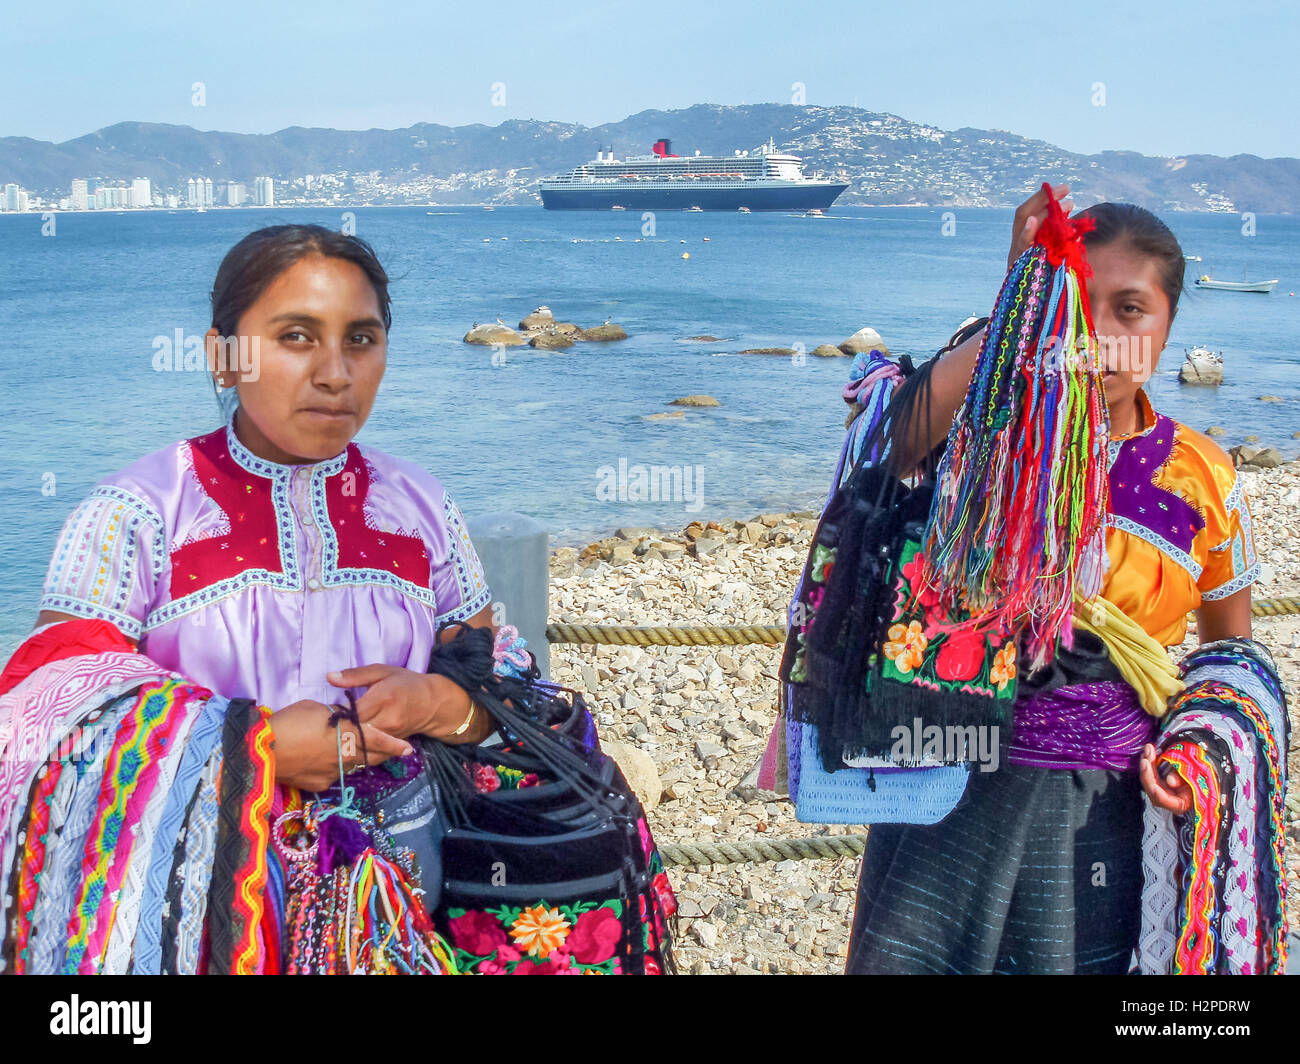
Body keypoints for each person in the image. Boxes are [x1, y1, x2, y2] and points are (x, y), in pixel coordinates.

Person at [843, 184, 1267, 974]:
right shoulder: (977, 438)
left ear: (1169, 326)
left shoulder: (1203, 475)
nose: (1100, 336)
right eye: (1077, 302)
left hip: (1107, 808)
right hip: (946, 782)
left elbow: (1227, 659)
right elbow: (878, 461)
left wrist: (1204, 754)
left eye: (1131, 311)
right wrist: (1017, 304)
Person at [31, 223, 500, 791]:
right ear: (223, 357)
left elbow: (494, 687)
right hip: (197, 872)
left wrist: (436, 703)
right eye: (297, 336)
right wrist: (253, 750)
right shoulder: (134, 513)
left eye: (360, 339)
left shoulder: (423, 505)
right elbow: (53, 712)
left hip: (411, 870)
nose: (335, 375)